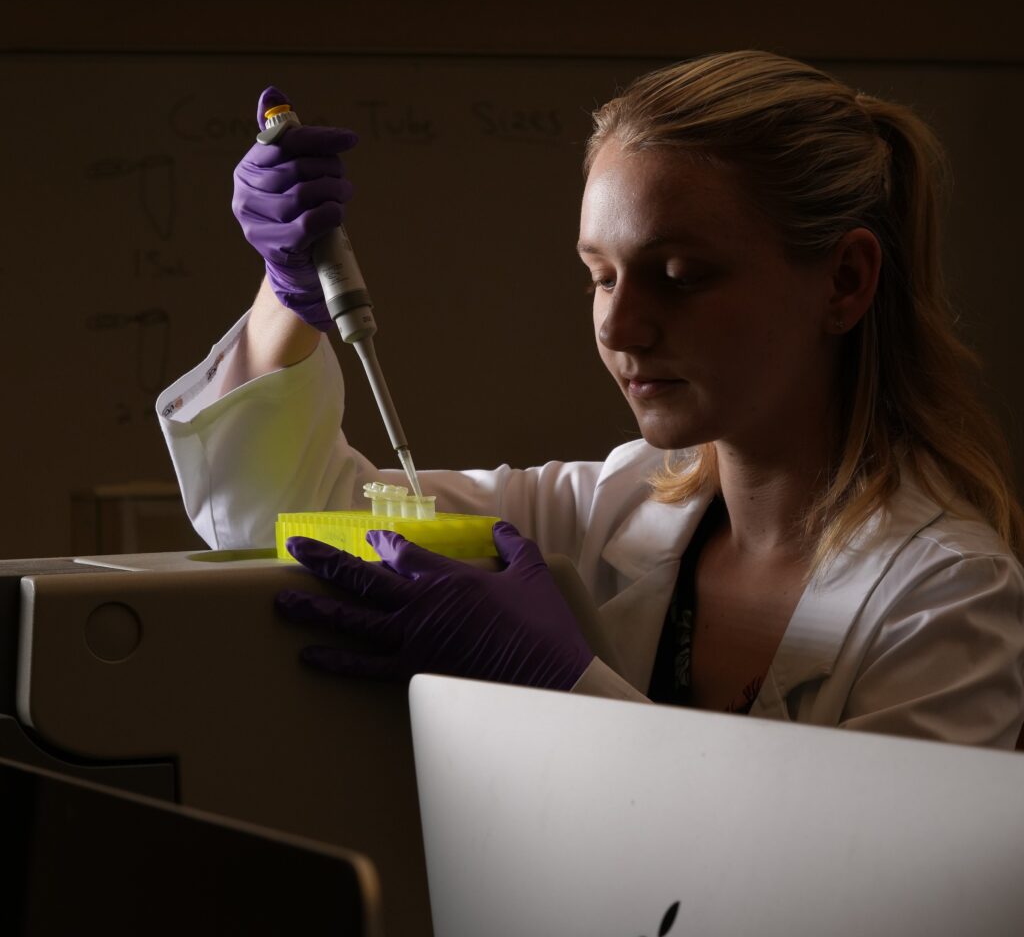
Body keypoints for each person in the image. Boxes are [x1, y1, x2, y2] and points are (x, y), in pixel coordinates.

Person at [158, 51, 1024, 748]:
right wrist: (288, 292)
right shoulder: (610, 512)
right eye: (598, 277)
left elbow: (853, 903)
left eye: (680, 277)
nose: (620, 327)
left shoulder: (950, 601)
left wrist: (566, 688)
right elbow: (286, 520)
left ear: (844, 279)